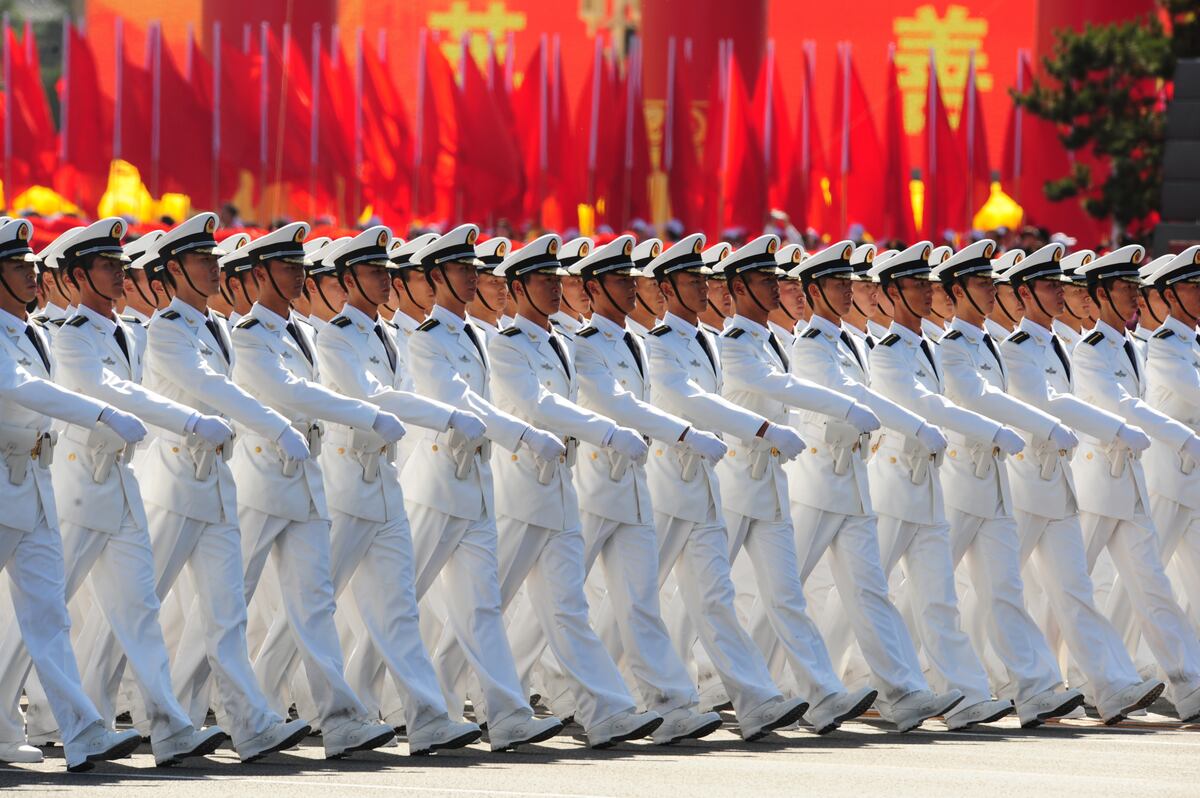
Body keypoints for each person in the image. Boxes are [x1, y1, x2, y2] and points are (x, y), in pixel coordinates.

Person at [37, 217, 230, 765]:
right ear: (77, 276)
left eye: (122, 266)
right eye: (107, 266)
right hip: (78, 484)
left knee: (140, 609)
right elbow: (107, 387)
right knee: (45, 611)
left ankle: (168, 727)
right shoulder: (71, 334)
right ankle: (12, 719)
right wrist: (190, 422)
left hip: (120, 482)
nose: (121, 275)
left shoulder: (123, 331)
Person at [122, 213, 314, 761]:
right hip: (175, 484)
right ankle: (78, 710)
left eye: (213, 259)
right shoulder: (166, 329)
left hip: (216, 485)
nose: (212, 267)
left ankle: (245, 724)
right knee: (139, 605)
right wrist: (276, 425)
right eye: (201, 260)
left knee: (225, 612)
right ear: (172, 270)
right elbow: (209, 389)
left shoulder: (218, 327)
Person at [481, 233, 664, 748]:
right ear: (518, 286)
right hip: (519, 490)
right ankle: (435, 698)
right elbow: (537, 403)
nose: (557, 288)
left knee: (566, 608)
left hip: (560, 491)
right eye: (544, 280)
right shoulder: (507, 344)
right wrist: (605, 430)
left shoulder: (561, 342)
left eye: (558, 279)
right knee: (486, 602)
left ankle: (605, 711)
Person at [310, 226, 487, 754]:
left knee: (398, 607)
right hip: (345, 484)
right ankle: (268, 700)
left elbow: (401, 392)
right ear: (346, 280)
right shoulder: (335, 335)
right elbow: (374, 395)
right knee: (317, 603)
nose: (385, 280)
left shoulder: (388, 334)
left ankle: (427, 718)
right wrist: (450, 415)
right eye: (372, 272)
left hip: (385, 486)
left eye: (387, 271)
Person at [227, 222, 401, 758]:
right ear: (259, 275)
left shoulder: (299, 330)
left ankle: (341, 719)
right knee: (230, 604)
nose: (299, 275)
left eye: (301, 266)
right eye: (286, 267)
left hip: (305, 484)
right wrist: (366, 413)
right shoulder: (249, 335)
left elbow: (313, 391)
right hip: (260, 483)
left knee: (315, 605)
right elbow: (288, 391)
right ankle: (190, 711)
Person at [639, 234, 818, 739]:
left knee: (713, 596)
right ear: (666, 288)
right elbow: (685, 396)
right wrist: (761, 429)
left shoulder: (707, 341)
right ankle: (605, 692)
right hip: (666, 481)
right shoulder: (658, 343)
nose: (702, 287)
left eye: (703, 278)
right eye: (691, 279)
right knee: (638, 595)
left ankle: (752, 699)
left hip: (705, 486)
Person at [785, 240, 964, 731]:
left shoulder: (852, 341)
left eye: (851, 283)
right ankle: (750, 683)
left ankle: (902, 692)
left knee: (869, 592)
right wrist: (913, 425)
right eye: (839, 284)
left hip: (854, 484)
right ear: (815, 289)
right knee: (782, 587)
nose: (848, 291)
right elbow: (850, 396)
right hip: (818, 481)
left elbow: (866, 394)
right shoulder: (811, 344)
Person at [401, 224, 565, 751]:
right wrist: (522, 434)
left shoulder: (477, 334)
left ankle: (507, 714)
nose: (473, 277)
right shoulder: (427, 339)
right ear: (434, 277)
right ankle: (358, 700)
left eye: (475, 270)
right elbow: (458, 401)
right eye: (462, 270)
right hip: (435, 486)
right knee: (402, 601)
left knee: (482, 607)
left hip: (475, 486)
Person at [716, 234, 887, 732]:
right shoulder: (734, 342)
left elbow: (794, 386)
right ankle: (678, 685)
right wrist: (845, 408)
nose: (776, 286)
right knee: (699, 595)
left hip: (770, 484)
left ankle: (821, 694)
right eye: (766, 279)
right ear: (740, 285)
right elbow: (780, 387)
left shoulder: (776, 340)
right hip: (731, 480)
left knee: (786, 595)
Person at [561, 234, 727, 743]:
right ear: (593, 287)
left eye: (633, 279)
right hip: (591, 486)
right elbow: (617, 404)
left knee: (639, 601)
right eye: (618, 280)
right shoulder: (584, 345)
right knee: (559, 601)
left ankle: (668, 702)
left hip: (633, 488)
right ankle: (525, 691)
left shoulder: (636, 341)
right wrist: (685, 433)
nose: (632, 288)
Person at [1000, 243, 1168, 724]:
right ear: (1025, 293)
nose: (1060, 293)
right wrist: (1116, 428)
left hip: (1061, 486)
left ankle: (1109, 687)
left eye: (1060, 284)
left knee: (1074, 590)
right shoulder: (1016, 350)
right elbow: (1047, 401)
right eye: (1050, 285)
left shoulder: (1064, 346)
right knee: (997, 589)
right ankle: (975, 677)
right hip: (1026, 484)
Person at [0, 217, 145, 771]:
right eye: (17, 267)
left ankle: (83, 732)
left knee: (48, 615)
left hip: (35, 485)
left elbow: (49, 390)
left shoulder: (31, 328)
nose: (33, 275)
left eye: (32, 265)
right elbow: (20, 386)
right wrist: (102, 412)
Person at [931, 240, 1087, 726]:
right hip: (958, 480)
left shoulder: (987, 346)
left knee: (1004, 590)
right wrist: (1039, 424)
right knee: (931, 590)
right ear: (958, 291)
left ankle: (1035, 688)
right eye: (981, 283)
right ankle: (907, 679)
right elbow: (977, 398)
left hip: (994, 484)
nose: (992, 290)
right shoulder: (952, 347)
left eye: (991, 282)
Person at [864, 240, 1019, 729]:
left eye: (928, 283)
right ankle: (839, 678)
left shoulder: (932, 346)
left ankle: (965, 694)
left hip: (929, 484)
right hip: (892, 480)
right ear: (891, 292)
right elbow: (927, 405)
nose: (928, 293)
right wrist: (993, 430)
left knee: (938, 597)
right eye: (915, 284)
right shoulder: (888, 352)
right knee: (866, 587)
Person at [1068, 244, 1200, 722]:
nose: (1134, 296)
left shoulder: (1134, 346)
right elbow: (1125, 406)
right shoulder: (1090, 352)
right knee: (1067, 585)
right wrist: (1187, 439)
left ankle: (1189, 686)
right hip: (1099, 482)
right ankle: (1044, 680)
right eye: (1125, 288)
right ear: (1100, 293)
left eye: (1135, 287)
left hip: (1136, 484)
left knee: (1151, 586)